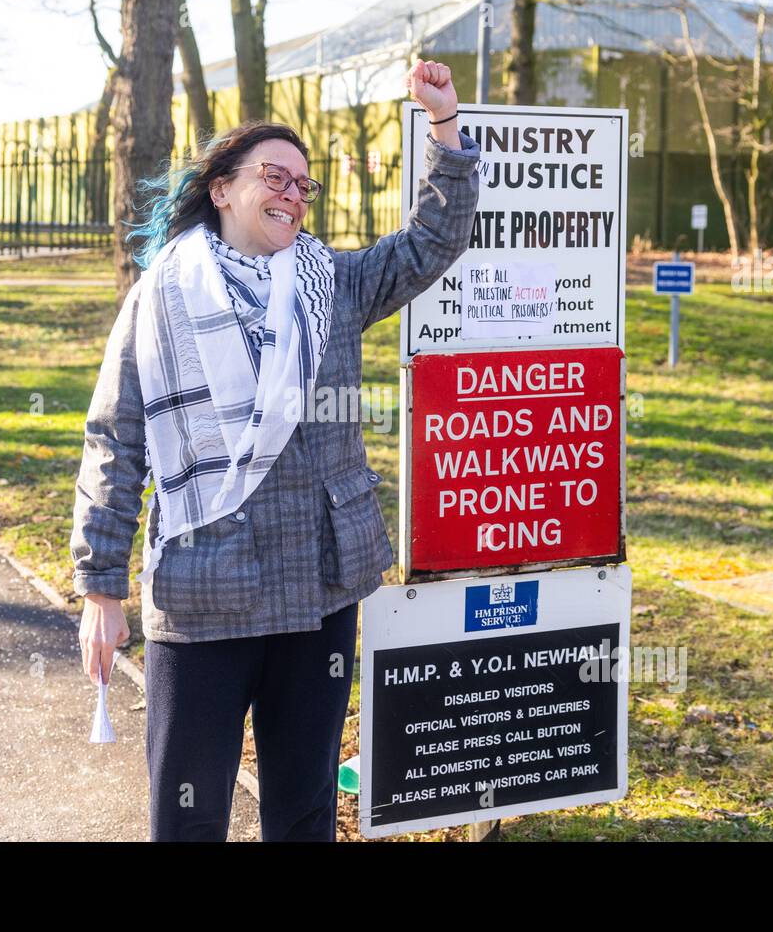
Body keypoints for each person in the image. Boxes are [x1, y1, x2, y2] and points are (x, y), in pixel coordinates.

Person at [70, 59, 480, 841]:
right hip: (202, 595)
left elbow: (437, 238)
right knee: (187, 816)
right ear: (222, 187)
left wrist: (443, 123)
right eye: (275, 177)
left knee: (303, 811)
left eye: (304, 185)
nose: (293, 194)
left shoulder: (336, 284)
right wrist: (99, 586)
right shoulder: (159, 300)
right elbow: (116, 441)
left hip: (317, 589)